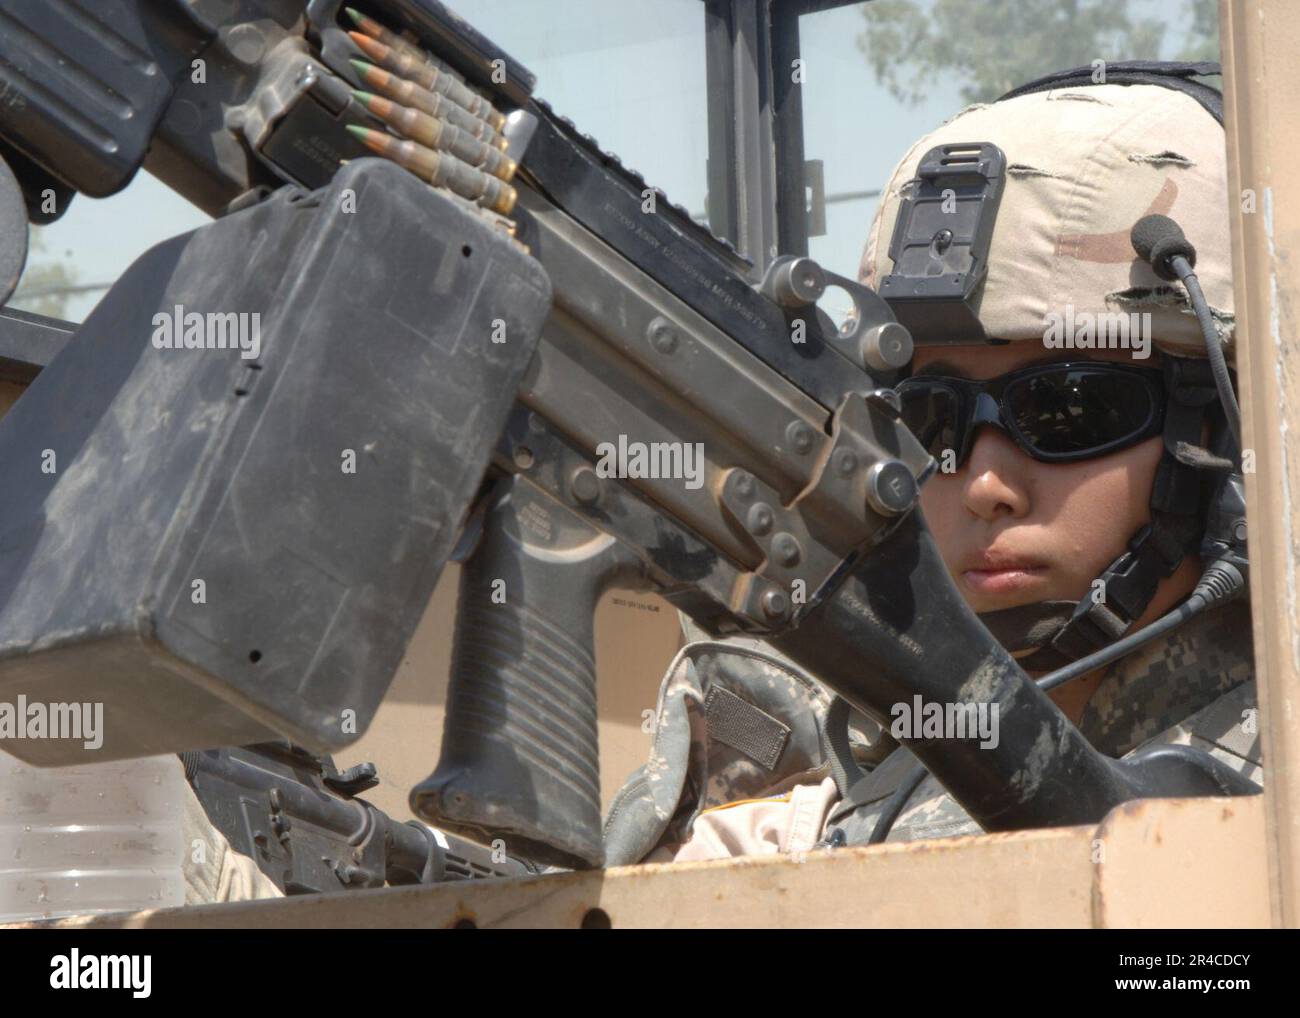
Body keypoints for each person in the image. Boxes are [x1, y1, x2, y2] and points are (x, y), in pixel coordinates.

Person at [603, 62, 1257, 864]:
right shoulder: (843, 739)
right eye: (927, 417)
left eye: (1070, 409)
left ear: (1224, 438)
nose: (982, 485)